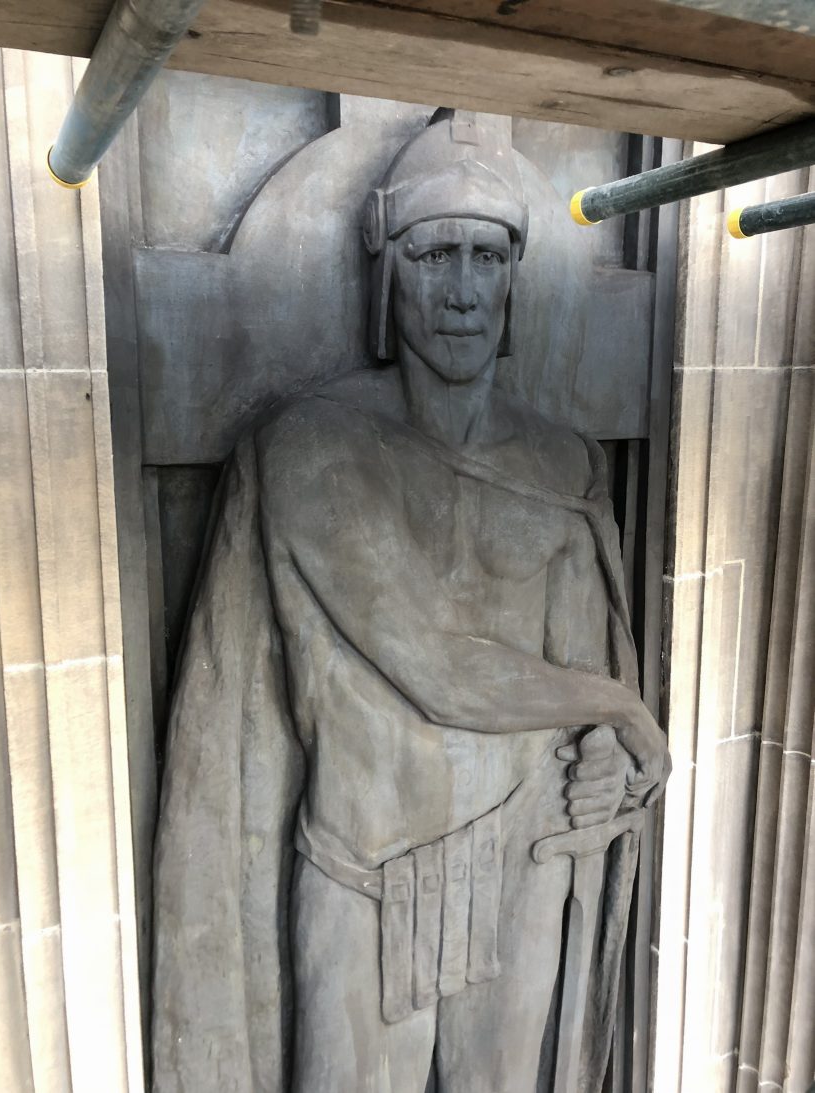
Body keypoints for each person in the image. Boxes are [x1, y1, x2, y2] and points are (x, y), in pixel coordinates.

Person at [152, 110, 670, 1093]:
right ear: (389, 272)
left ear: (513, 279)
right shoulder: (312, 447)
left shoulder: (562, 463)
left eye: (487, 257)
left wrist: (605, 763)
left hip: (523, 864)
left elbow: (581, 667)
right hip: (366, 876)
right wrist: (622, 709)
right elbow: (434, 663)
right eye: (435, 256)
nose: (463, 290)